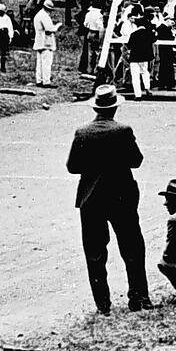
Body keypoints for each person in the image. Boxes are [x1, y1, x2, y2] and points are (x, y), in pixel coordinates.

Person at [66, 85, 151, 314]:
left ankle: (102, 305)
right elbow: (136, 161)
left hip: (91, 198)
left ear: (96, 108)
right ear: (114, 108)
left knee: (95, 253)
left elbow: (72, 166)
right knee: (132, 247)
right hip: (121, 194)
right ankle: (139, 298)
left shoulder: (82, 132)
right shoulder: (123, 130)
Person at [125, 15, 155, 98]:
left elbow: (129, 45)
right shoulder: (148, 33)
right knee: (145, 72)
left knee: (135, 76)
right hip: (144, 57)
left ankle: (137, 94)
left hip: (134, 57)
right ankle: (147, 88)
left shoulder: (133, 34)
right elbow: (154, 39)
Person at [32, 0, 60, 86]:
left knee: (39, 62)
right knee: (46, 62)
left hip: (39, 40)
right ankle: (46, 81)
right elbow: (49, 29)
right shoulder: (44, 16)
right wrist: (57, 26)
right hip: (46, 41)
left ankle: (39, 80)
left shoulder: (38, 15)